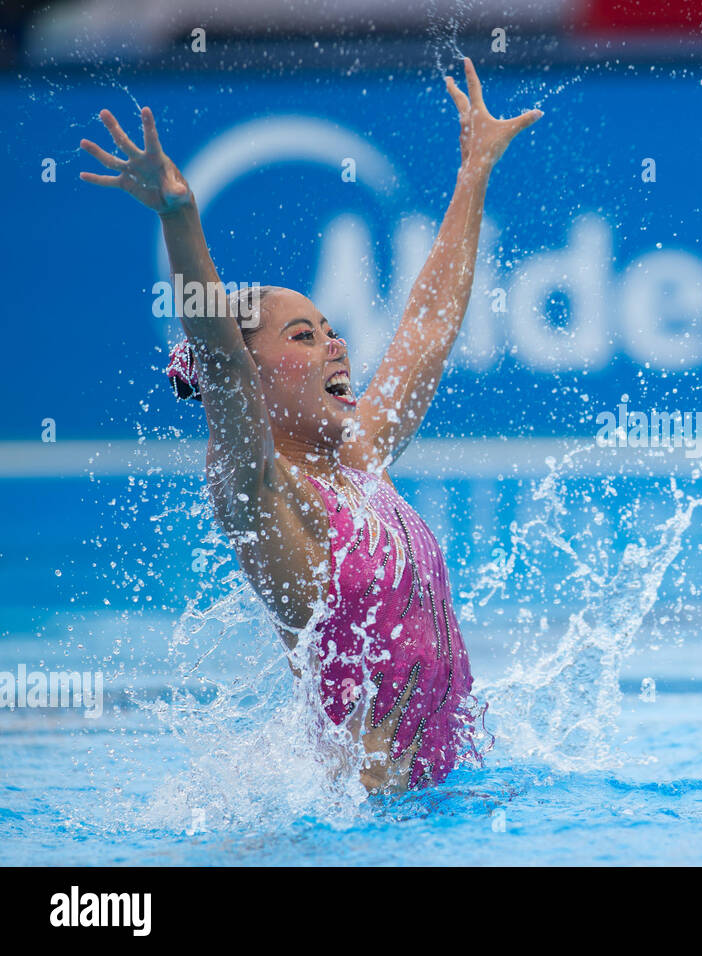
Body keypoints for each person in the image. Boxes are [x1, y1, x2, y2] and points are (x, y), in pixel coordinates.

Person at [79, 58, 542, 793]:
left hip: (450, 798)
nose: (335, 344)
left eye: (329, 328)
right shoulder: (268, 500)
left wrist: (474, 172)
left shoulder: (359, 458)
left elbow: (426, 329)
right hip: (372, 824)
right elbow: (221, 364)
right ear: (254, 380)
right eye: (301, 337)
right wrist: (178, 215)